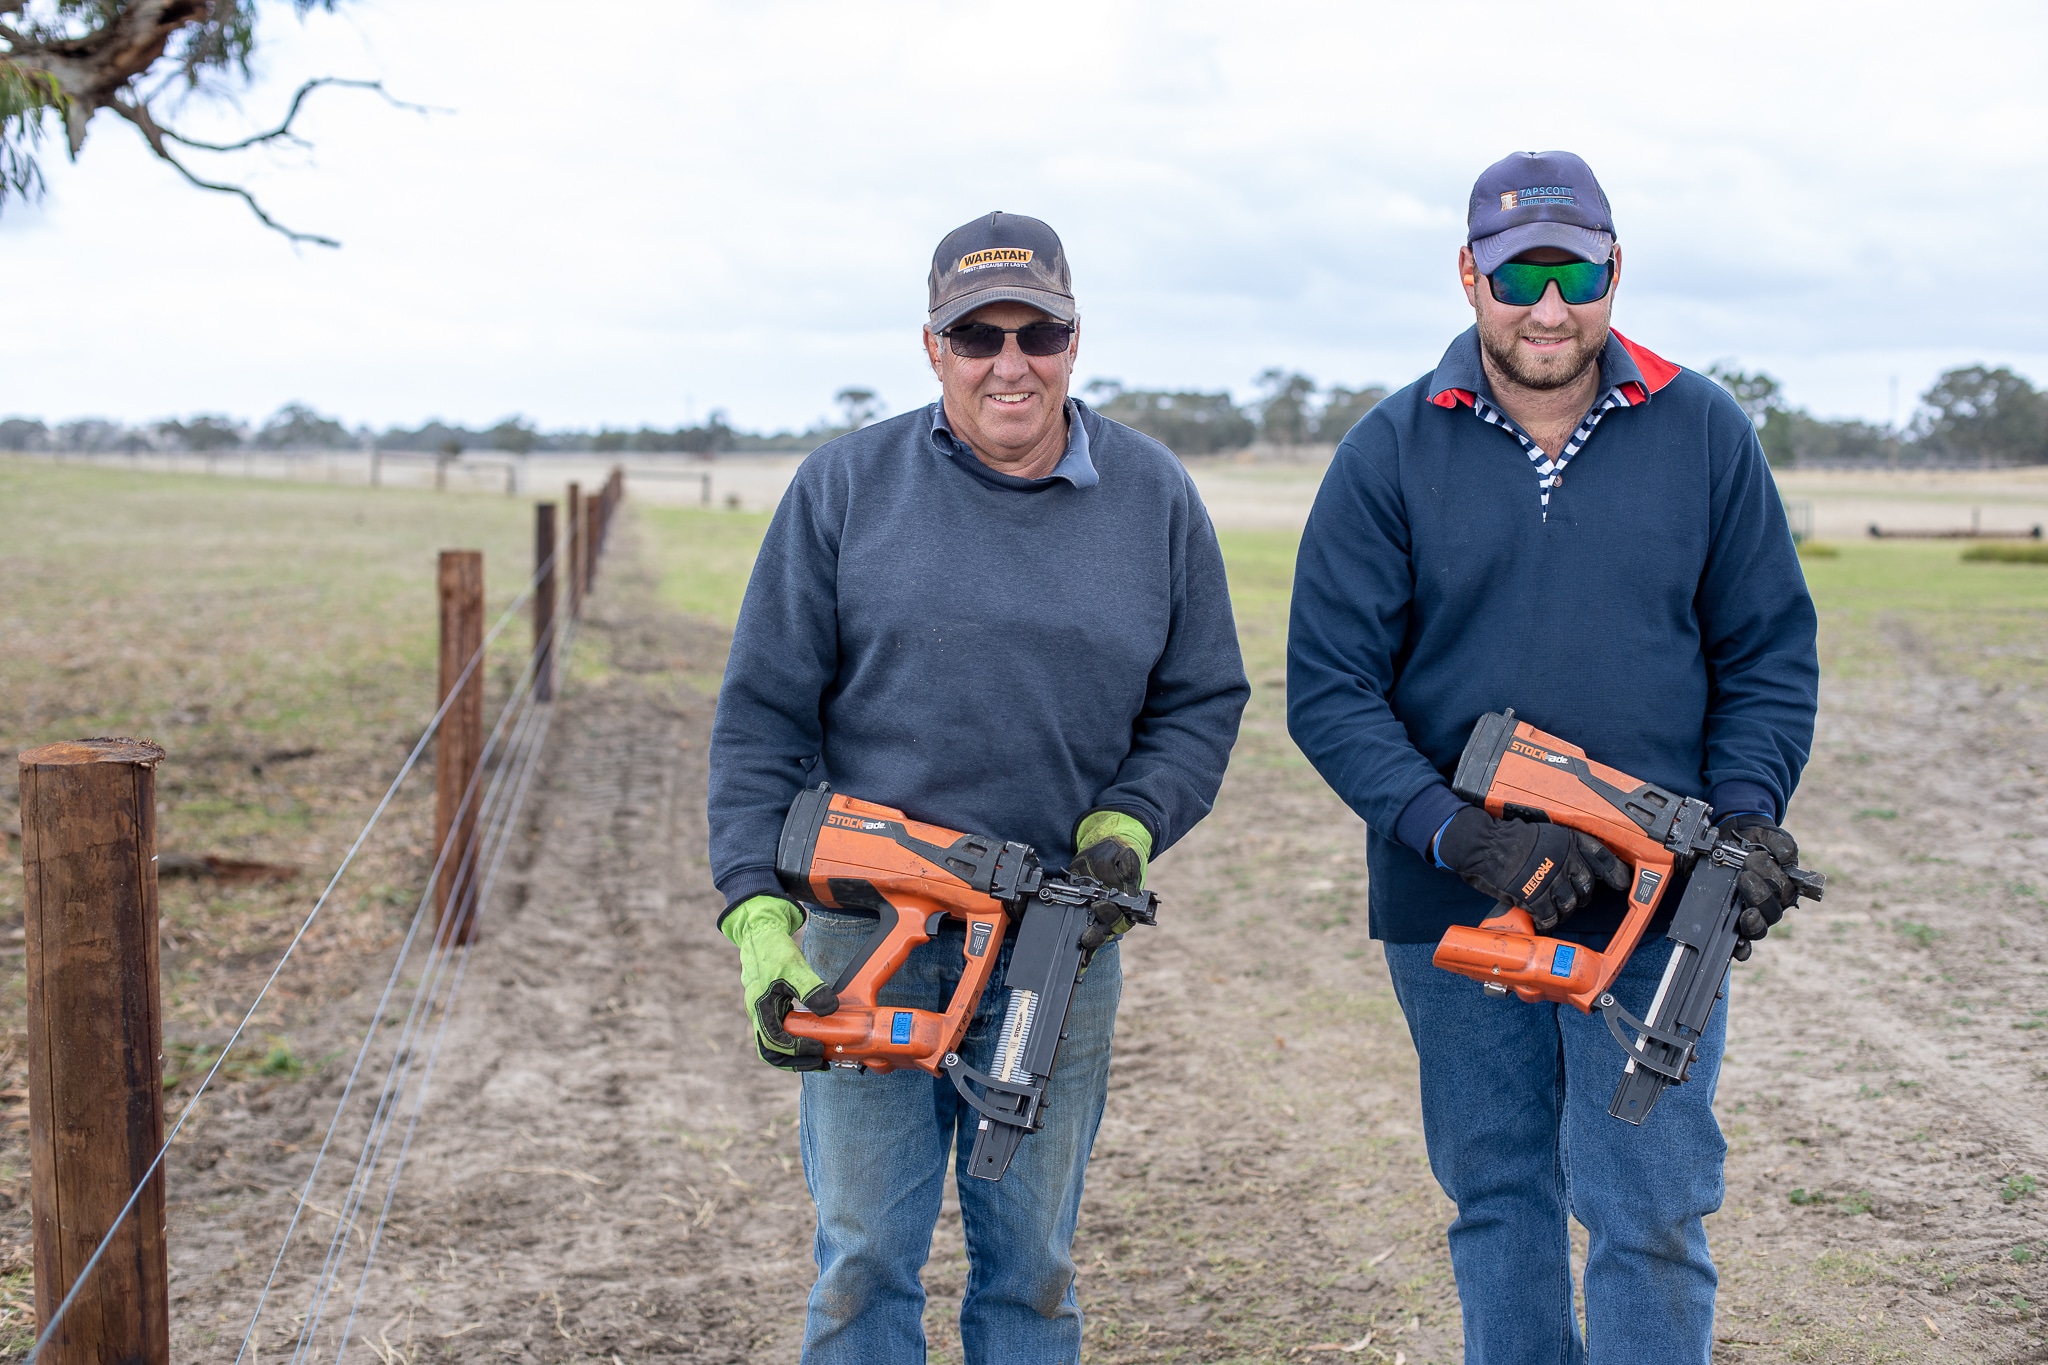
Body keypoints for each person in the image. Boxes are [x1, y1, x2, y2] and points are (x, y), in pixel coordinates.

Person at [1286, 151, 1818, 1365]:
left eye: (1573, 269)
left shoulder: (1702, 430)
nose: (1546, 302)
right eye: (1516, 271)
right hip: (1451, 900)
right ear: (1466, 275)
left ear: (1612, 271)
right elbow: (1328, 690)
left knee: (1649, 1209)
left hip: (1655, 906)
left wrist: (1740, 821)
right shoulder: (1388, 450)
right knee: (1500, 1200)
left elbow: (1767, 654)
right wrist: (1455, 833)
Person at [707, 211, 1249, 1364]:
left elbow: (1202, 697)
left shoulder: (1152, 496)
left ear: (1073, 337)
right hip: (864, 934)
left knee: (1034, 1268)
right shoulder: (844, 488)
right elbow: (762, 716)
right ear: (931, 346)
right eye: (977, 336)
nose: (1010, 362)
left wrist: (1130, 822)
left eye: (1037, 332)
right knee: (861, 1259)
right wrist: (757, 909)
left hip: (1057, 937)